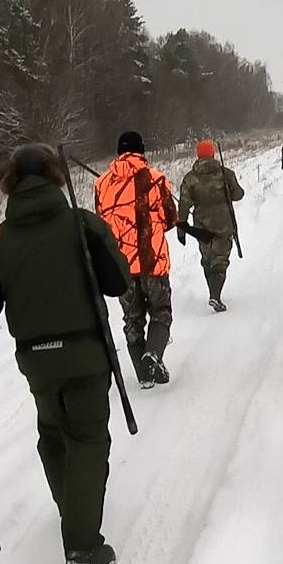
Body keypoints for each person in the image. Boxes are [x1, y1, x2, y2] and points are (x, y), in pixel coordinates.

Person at [0, 145, 126, 564]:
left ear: (10, 182)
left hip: (36, 362)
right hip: (86, 355)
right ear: (56, 177)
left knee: (53, 434)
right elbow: (118, 282)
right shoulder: (80, 224)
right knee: (88, 440)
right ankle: (83, 542)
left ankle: (73, 508)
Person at [94, 131, 179, 388]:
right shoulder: (155, 180)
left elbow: (101, 224)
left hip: (120, 265)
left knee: (132, 318)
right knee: (160, 312)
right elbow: (169, 220)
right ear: (142, 150)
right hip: (152, 262)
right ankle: (153, 354)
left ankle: (143, 375)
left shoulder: (101, 184)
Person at [176, 139, 246, 312]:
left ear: (198, 155)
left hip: (201, 226)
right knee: (220, 260)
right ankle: (215, 296)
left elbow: (184, 205)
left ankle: (213, 293)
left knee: (207, 259)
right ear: (213, 153)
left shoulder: (190, 178)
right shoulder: (225, 173)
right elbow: (238, 195)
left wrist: (181, 230)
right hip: (223, 224)